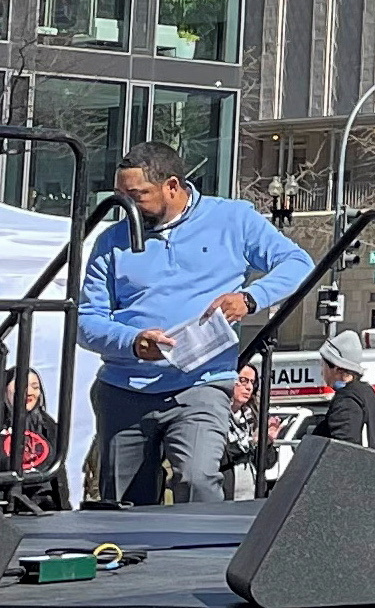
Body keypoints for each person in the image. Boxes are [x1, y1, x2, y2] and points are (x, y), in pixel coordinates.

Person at [79, 141, 313, 505]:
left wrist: (250, 298)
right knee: (123, 501)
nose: (126, 206)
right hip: (124, 386)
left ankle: (204, 543)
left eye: (137, 196)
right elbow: (86, 321)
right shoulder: (111, 241)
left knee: (198, 477)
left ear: (172, 186)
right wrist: (133, 342)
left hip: (201, 382)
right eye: (120, 196)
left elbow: (298, 263)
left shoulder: (233, 219)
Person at [2, 366, 66, 511]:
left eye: (35, 387)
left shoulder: (47, 425)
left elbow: (59, 474)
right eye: (21, 386)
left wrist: (63, 508)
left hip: (42, 504)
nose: (29, 392)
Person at [309, 332, 375, 447]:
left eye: (323, 365)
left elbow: (344, 448)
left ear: (337, 369)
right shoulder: (368, 393)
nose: (321, 371)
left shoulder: (346, 401)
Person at [220, 363, 269, 499]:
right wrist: (251, 444)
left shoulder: (253, 418)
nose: (249, 387)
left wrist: (267, 441)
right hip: (225, 496)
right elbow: (222, 457)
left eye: (252, 382)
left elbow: (268, 463)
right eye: (243, 380)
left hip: (251, 495)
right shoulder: (217, 416)